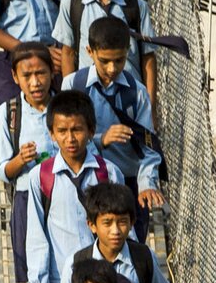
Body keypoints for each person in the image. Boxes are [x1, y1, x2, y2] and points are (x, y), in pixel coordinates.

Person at [59, 17, 164, 232]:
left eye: (119, 60)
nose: (111, 68)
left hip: (128, 185)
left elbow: (148, 147)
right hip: (87, 182)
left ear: (128, 53)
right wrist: (101, 140)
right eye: (104, 60)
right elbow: (63, 138)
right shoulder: (73, 86)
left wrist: (146, 184)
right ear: (90, 52)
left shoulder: (137, 92)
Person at [22, 91, 115, 283]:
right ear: (52, 134)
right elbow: (36, 237)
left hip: (102, 282)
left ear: (91, 131)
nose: (70, 139)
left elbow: (120, 227)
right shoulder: (41, 176)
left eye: (77, 130)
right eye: (62, 131)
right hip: (59, 281)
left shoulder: (108, 173)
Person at [68, 182, 190, 283]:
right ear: (92, 225)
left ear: (132, 222)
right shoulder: (77, 263)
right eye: (107, 223)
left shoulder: (142, 257)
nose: (115, 230)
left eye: (122, 222)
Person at [0, 49, 61, 283]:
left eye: (41, 73)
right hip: (27, 200)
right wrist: (20, 160)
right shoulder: (8, 113)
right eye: (27, 75)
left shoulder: (63, 106)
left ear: (52, 73)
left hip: (62, 195)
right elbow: (2, 170)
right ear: (14, 76)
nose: (35, 82)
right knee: (36, 275)